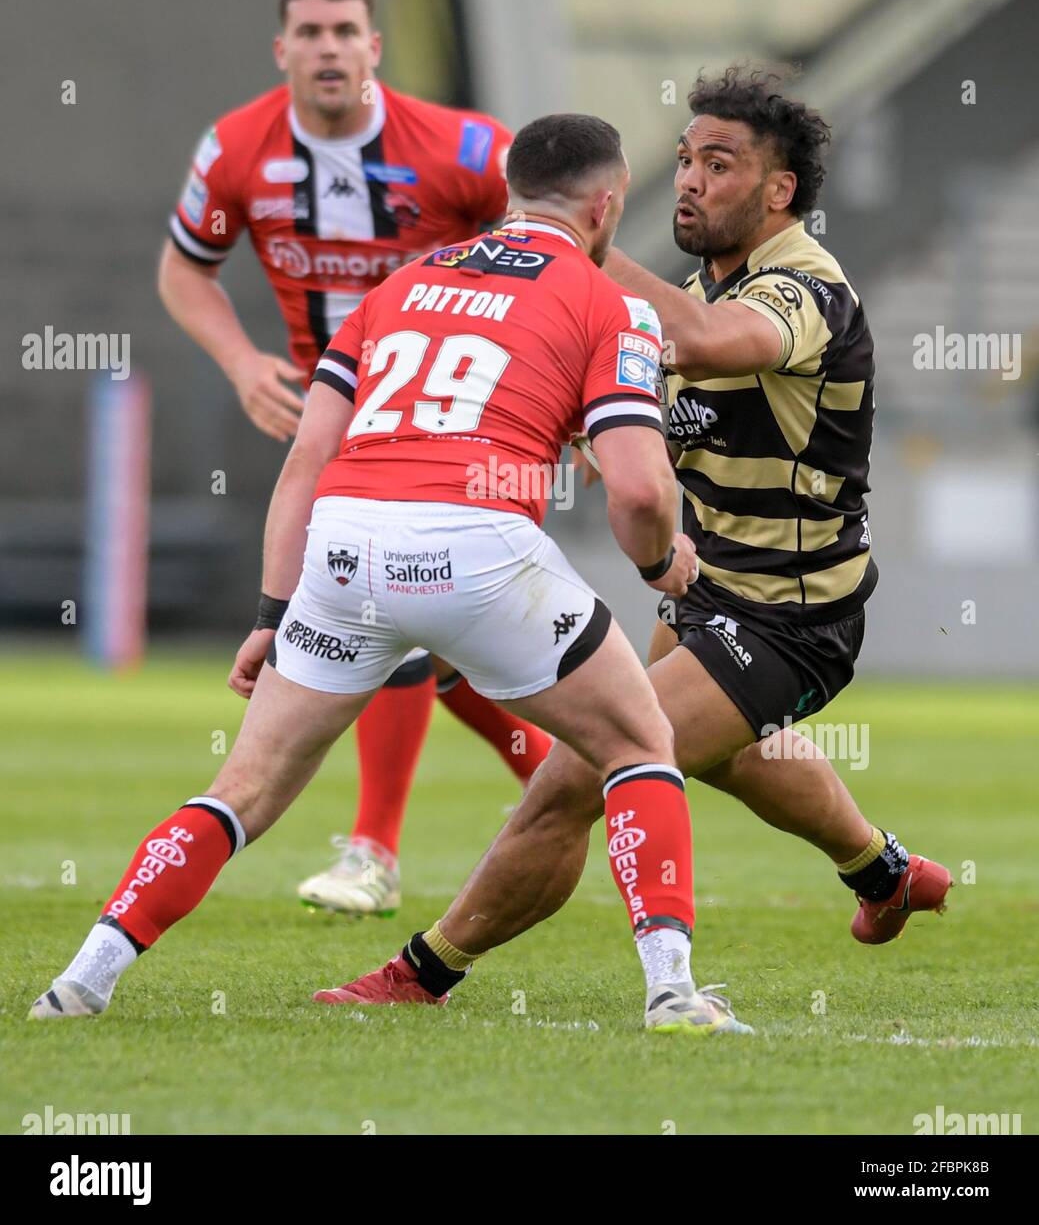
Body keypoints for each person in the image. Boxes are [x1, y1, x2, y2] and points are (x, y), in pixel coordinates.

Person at [31, 113, 749, 1036]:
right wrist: (662, 564)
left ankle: (82, 979)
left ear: (507, 196)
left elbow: (306, 461)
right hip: (477, 550)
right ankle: (672, 993)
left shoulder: (399, 283)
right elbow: (642, 490)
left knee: (240, 790)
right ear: (606, 207)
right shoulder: (614, 305)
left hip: (342, 548)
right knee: (639, 746)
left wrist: (270, 613)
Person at [326, 68, 949, 1014]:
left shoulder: (803, 290)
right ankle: (883, 874)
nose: (691, 181)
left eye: (718, 164)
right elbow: (623, 424)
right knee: (729, 749)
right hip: (705, 589)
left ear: (779, 191)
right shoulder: (702, 282)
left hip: (792, 611)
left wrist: (568, 237)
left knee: (583, 775)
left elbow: (698, 337)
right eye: (686, 160)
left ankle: (421, 974)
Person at [159, 0, 551, 916]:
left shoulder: (463, 149)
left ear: (375, 47)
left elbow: (557, 264)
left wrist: (563, 404)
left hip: (460, 419)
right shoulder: (237, 149)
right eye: (310, 31)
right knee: (438, 641)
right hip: (340, 427)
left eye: (345, 30)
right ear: (281, 50)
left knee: (399, 606)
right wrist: (244, 363)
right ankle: (579, 783)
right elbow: (184, 272)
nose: (328, 47)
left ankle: (376, 849)